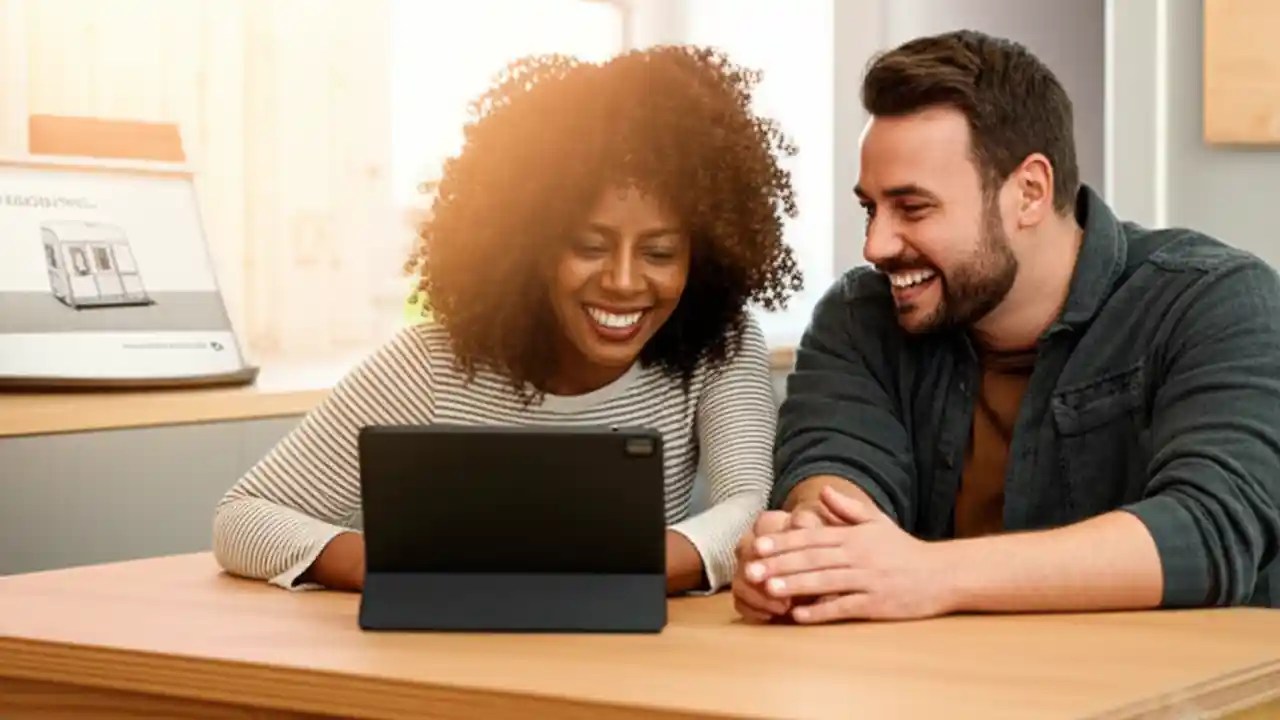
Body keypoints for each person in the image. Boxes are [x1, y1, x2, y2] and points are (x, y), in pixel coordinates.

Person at [733, 29, 1280, 624]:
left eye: (912, 208)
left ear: (1030, 193)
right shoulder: (858, 317)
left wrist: (930, 575)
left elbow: (1208, 531)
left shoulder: (1215, 301)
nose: (875, 244)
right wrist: (808, 554)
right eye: (871, 208)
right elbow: (835, 476)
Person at [214, 46, 803, 596]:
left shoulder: (718, 348)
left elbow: (750, 510)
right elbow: (243, 518)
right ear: (529, 245)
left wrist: (596, 569)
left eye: (658, 253)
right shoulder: (430, 363)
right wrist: (404, 567)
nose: (624, 282)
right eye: (588, 246)